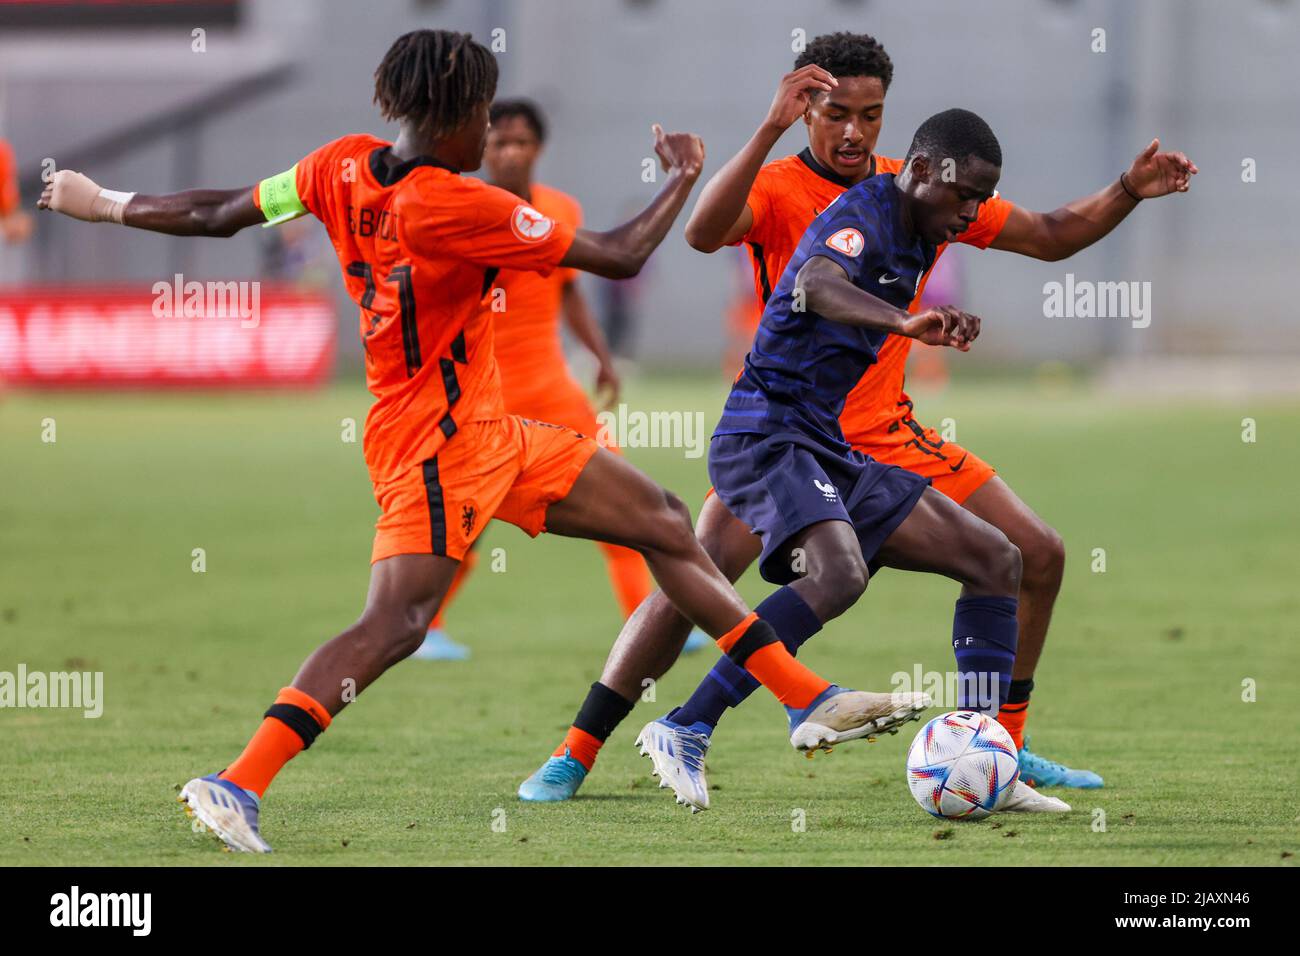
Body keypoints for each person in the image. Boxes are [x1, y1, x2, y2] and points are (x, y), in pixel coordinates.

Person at [40, 29, 916, 851]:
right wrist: (681, 175)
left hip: (490, 429)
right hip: (436, 446)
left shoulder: (337, 165)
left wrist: (106, 203)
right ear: (460, 115)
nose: (493, 132)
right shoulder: (457, 203)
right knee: (398, 622)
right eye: (487, 116)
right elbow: (616, 255)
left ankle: (806, 699)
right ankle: (237, 781)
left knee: (660, 517)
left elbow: (220, 211)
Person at [523, 31, 1195, 806]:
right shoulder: (787, 189)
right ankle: (580, 750)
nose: (853, 131)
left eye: (870, 115)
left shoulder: (929, 191)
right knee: (691, 584)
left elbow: (1048, 234)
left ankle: (996, 751)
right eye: (835, 111)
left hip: (880, 432)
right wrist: (768, 129)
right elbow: (710, 235)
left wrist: (1126, 187)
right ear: (807, 107)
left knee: (1025, 554)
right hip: (785, 430)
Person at [411, 97, 706, 662]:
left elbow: (568, 289)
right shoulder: (464, 210)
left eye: (521, 142)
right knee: (464, 524)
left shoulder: (558, 209)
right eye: (498, 142)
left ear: (538, 148)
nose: (510, 152)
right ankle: (429, 628)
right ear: (481, 148)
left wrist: (601, 356)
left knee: (630, 506)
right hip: (484, 399)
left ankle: (649, 621)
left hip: (553, 390)